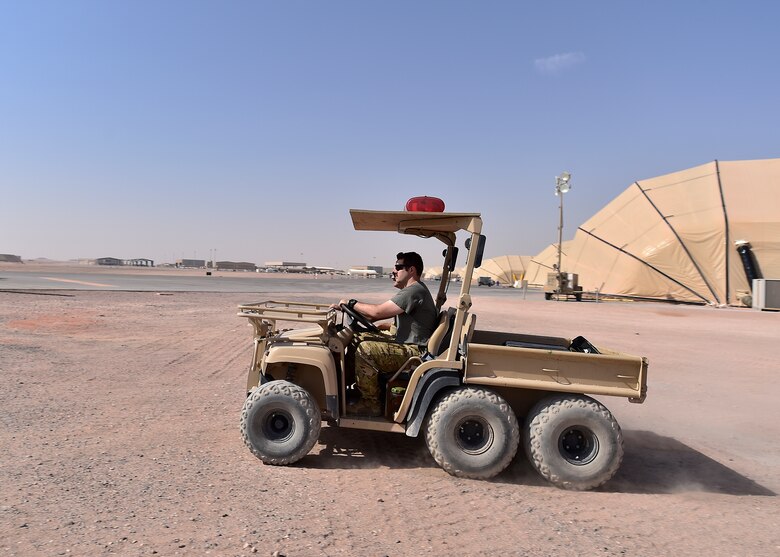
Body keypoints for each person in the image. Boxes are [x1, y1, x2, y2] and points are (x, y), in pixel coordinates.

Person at [333, 251, 438, 416]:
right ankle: (343, 385)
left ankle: (370, 403)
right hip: (408, 343)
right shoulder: (414, 290)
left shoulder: (414, 291)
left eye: (398, 267)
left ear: (411, 270)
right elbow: (376, 316)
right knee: (357, 337)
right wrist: (350, 309)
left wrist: (351, 303)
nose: (394, 271)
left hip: (415, 351)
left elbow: (377, 312)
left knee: (365, 349)